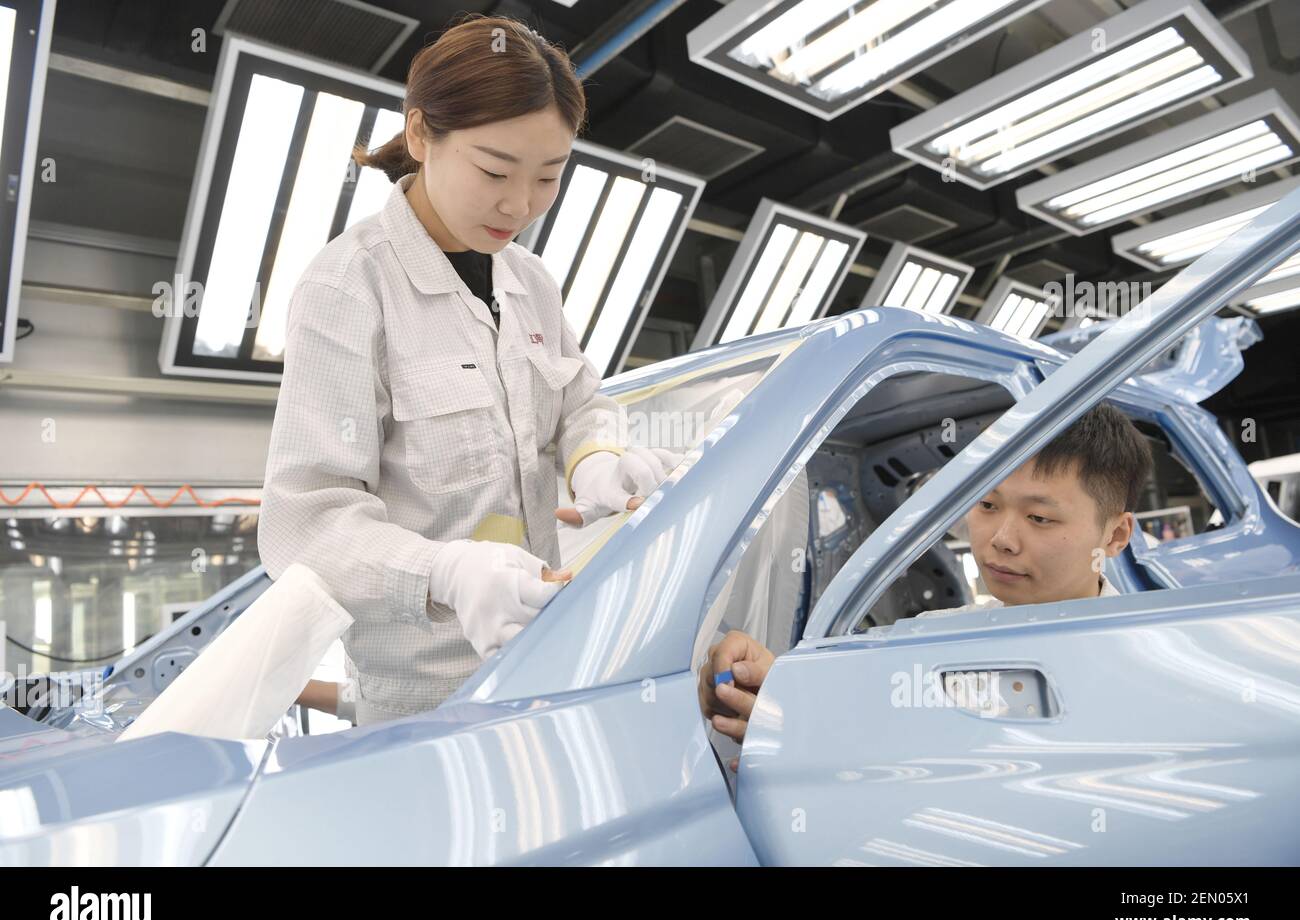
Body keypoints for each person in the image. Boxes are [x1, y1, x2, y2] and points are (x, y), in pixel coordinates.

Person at [259, 15, 673, 726]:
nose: (520, 205)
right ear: (421, 136)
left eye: (549, 177)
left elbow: (579, 402)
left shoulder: (531, 280)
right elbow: (305, 522)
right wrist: (442, 573)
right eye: (493, 170)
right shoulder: (347, 289)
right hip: (424, 700)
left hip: (549, 656)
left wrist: (596, 458)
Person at [697, 403, 1153, 763]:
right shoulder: (931, 635)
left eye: (1039, 517)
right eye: (987, 505)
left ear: (1115, 535)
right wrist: (770, 685)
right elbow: (857, 712)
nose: (1001, 540)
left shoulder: (1150, 671)